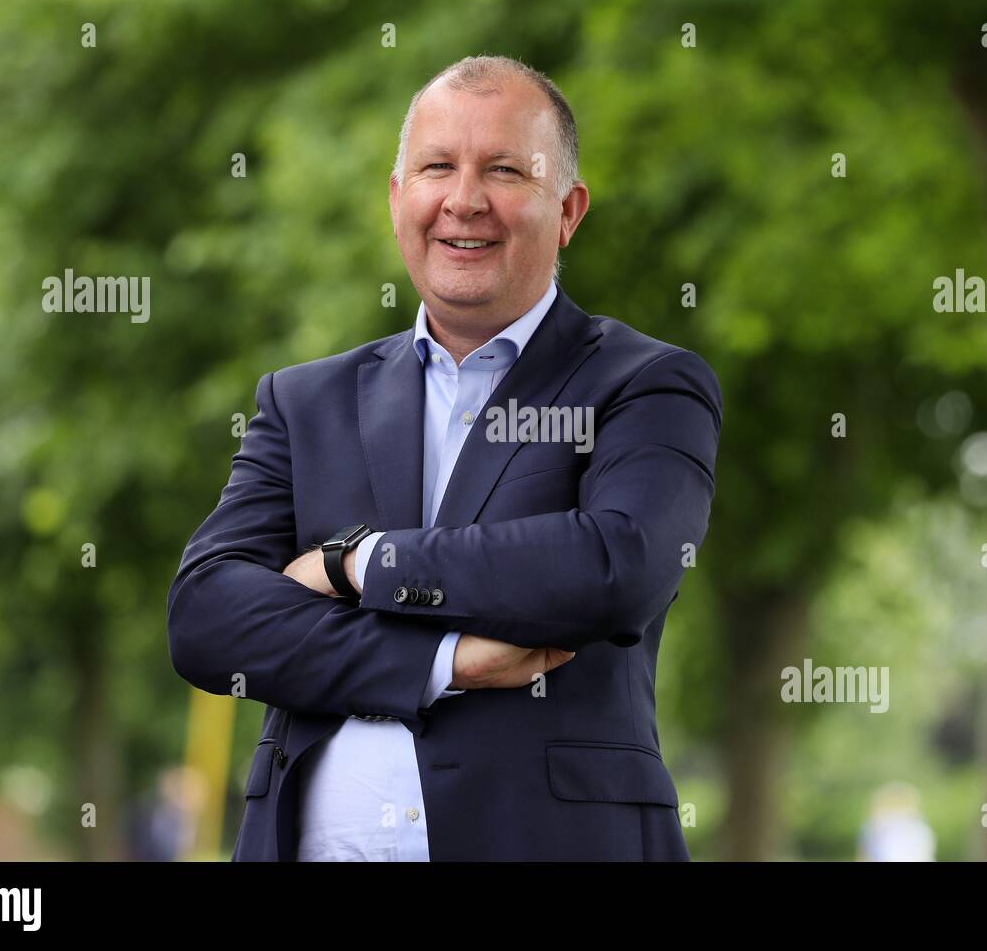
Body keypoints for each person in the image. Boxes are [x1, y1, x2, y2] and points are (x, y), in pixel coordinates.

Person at [167, 54, 722, 861]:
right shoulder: (304, 400)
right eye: (436, 168)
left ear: (567, 211)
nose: (464, 201)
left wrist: (361, 564)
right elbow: (207, 620)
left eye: (503, 170)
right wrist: (442, 660)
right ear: (398, 200)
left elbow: (616, 564)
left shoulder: (644, 384)